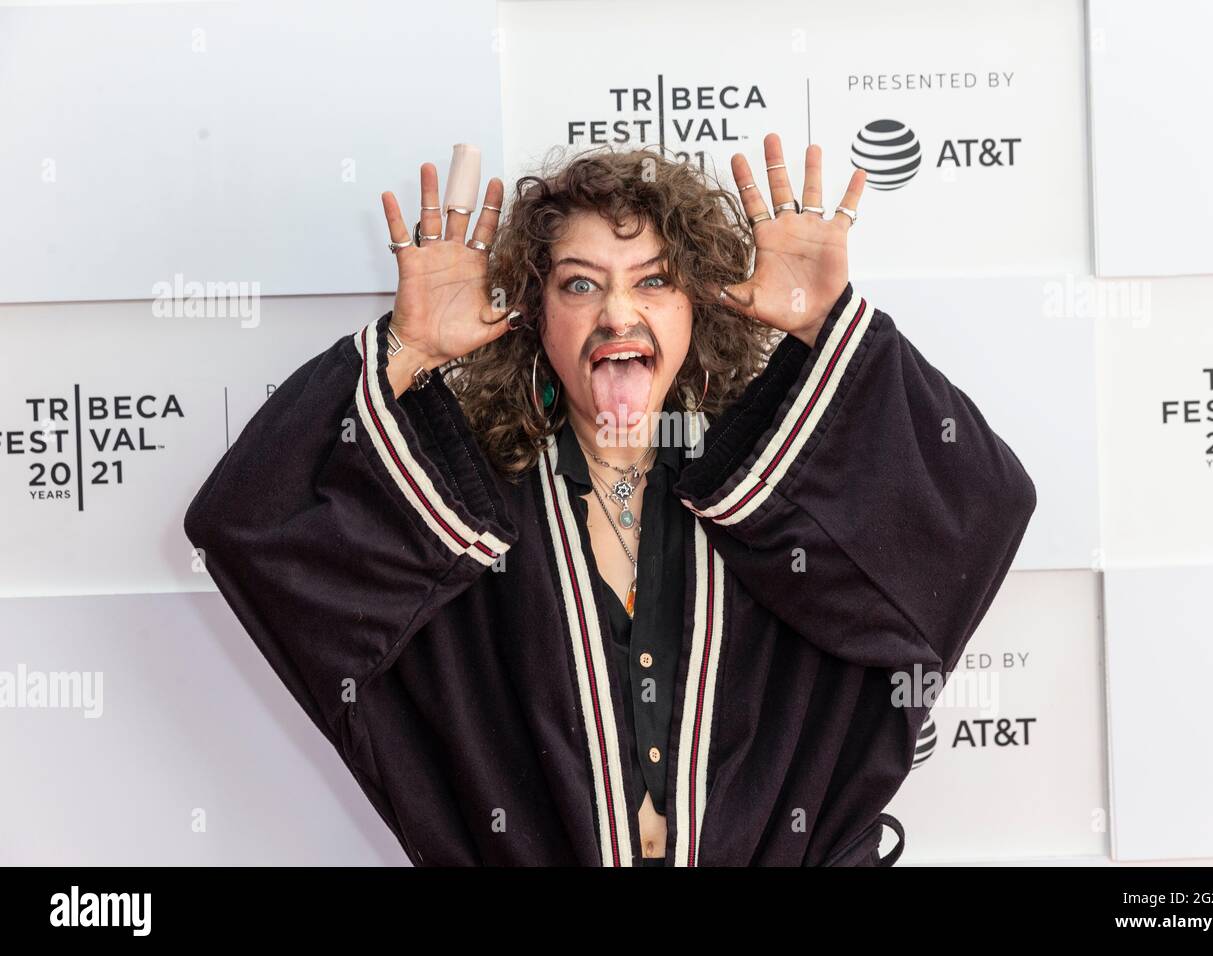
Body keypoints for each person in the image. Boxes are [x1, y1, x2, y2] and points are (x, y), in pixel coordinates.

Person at [183, 132, 1037, 866]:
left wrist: (825, 324)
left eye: (656, 281)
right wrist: (406, 348)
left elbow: (982, 509)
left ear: (697, 309)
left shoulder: (776, 504)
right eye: (581, 285)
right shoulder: (469, 529)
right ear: (535, 316)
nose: (618, 313)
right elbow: (249, 527)